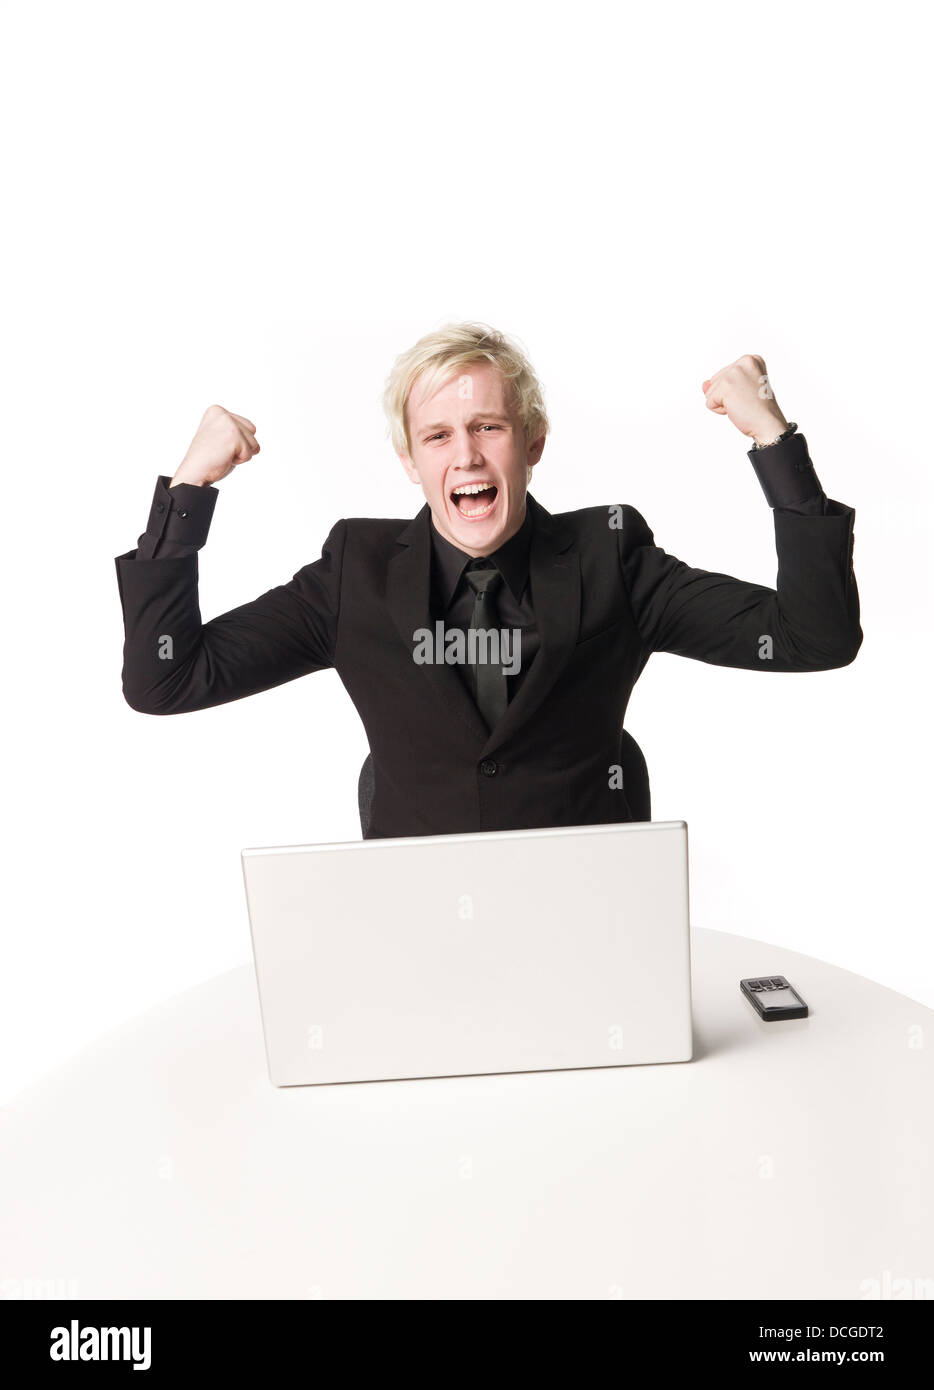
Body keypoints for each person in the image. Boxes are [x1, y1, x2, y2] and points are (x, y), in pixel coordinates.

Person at [114, 321, 861, 838]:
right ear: (410, 462)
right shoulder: (355, 574)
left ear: (532, 442)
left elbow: (813, 637)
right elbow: (166, 682)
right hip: (419, 927)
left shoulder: (611, 559)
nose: (465, 456)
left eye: (488, 428)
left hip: (591, 911)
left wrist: (773, 439)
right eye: (437, 436)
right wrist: (189, 492)